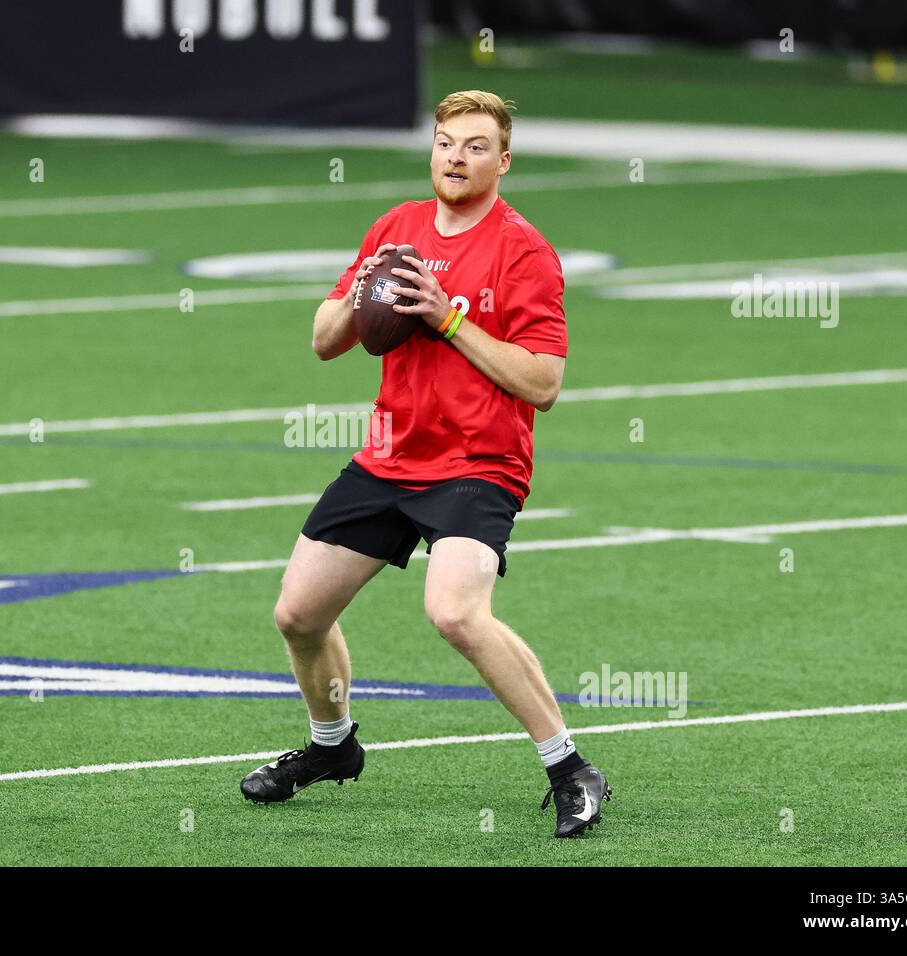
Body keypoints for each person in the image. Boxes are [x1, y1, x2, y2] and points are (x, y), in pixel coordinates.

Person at [240, 91, 610, 837]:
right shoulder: (397, 228)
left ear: (503, 161)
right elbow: (323, 340)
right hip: (390, 454)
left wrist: (447, 318)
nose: (455, 157)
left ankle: (571, 768)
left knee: (454, 612)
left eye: (475, 146)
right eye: (445, 142)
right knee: (299, 614)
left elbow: (543, 381)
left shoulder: (523, 250)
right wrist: (365, 289)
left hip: (477, 461)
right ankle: (332, 747)